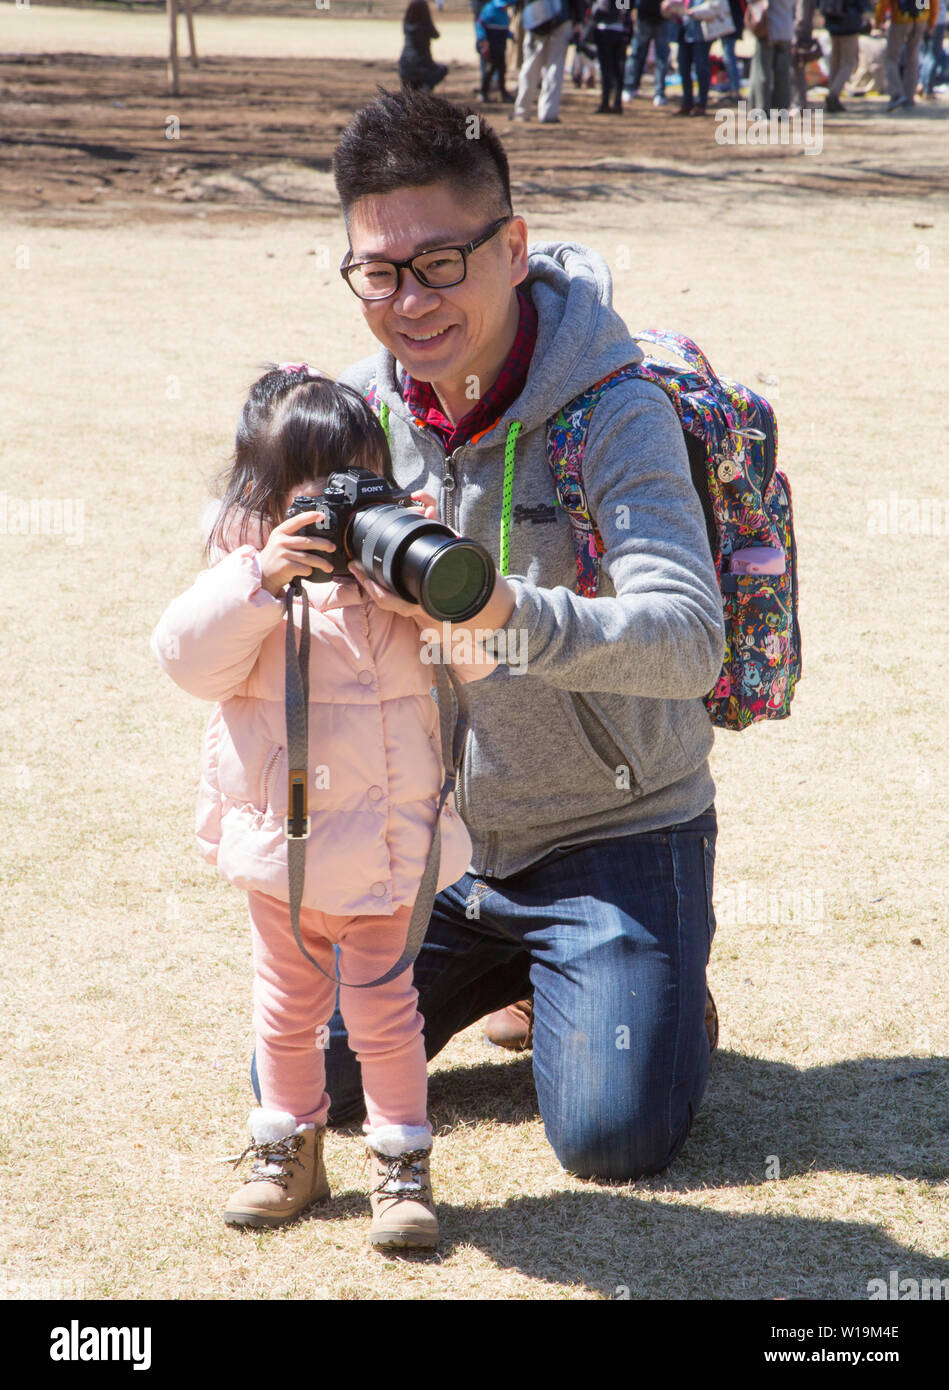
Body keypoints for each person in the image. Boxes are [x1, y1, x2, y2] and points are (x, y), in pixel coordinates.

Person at [316, 86, 726, 1183]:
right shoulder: (360, 408)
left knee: (610, 1137)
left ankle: (648, 977)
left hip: (617, 829)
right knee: (299, 1084)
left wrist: (500, 611)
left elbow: (689, 638)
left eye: (440, 262)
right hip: (440, 850)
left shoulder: (612, 408)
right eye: (379, 270)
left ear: (511, 246)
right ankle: (527, 967)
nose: (409, 299)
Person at [151, 365, 512, 1247]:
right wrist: (261, 581)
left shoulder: (401, 559)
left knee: (389, 1017)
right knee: (284, 1012)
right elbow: (185, 661)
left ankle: (400, 1167)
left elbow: (486, 659)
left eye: (356, 479)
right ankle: (289, 1150)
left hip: (390, 853)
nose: (337, 513)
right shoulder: (247, 578)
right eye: (310, 492)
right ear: (263, 498)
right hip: (284, 850)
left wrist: (430, 589)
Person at [511, 0, 583, 122]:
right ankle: (548, 114)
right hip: (559, 17)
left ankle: (522, 111)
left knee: (531, 67)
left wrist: (517, 10)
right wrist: (579, 20)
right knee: (554, 66)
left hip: (537, 18)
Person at [875, 0, 936, 108]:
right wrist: (931, 21)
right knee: (913, 59)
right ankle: (909, 97)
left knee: (891, 59)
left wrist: (878, 20)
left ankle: (896, 94)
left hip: (900, 19)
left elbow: (883, 2)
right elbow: (932, 2)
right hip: (920, 18)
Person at [822, 0, 872, 110]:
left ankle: (833, 96)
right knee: (848, 63)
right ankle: (833, 94)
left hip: (833, 24)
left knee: (835, 62)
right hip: (849, 26)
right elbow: (862, 6)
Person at [623, 0, 676, 105]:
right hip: (643, 18)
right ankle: (629, 88)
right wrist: (624, 10)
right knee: (636, 54)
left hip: (662, 19)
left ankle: (659, 93)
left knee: (660, 57)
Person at [749, 0, 795, 109]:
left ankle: (762, 110)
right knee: (783, 74)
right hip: (786, 31)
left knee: (763, 72)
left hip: (768, 30)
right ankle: (781, 111)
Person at [590, 0, 635, 111]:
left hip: (605, 30)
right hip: (620, 32)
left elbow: (601, 10)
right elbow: (625, 9)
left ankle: (606, 102)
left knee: (606, 69)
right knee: (617, 69)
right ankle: (617, 102)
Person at [398, 0, 449, 92]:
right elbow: (436, 35)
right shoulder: (425, 26)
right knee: (443, 69)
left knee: (409, 95)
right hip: (423, 66)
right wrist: (428, 20)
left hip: (405, 66)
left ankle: (421, 90)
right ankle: (425, 88)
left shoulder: (406, 24)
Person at [674, 0, 714, 114]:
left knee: (701, 69)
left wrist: (694, 12)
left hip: (701, 35)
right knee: (683, 69)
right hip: (684, 34)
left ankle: (701, 103)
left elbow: (714, 7)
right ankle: (687, 103)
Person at [476, 0, 517, 101]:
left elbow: (503, 29)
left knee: (502, 69)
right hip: (491, 47)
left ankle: (502, 93)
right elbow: (480, 25)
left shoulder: (504, 13)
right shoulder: (490, 9)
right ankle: (483, 92)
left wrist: (511, 36)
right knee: (491, 69)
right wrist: (482, 39)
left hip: (500, 47)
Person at [920, 0, 946, 95]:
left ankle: (922, 85)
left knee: (925, 55)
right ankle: (928, 89)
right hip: (935, 22)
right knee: (933, 56)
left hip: (923, 20)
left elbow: (920, 4)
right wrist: (930, 22)